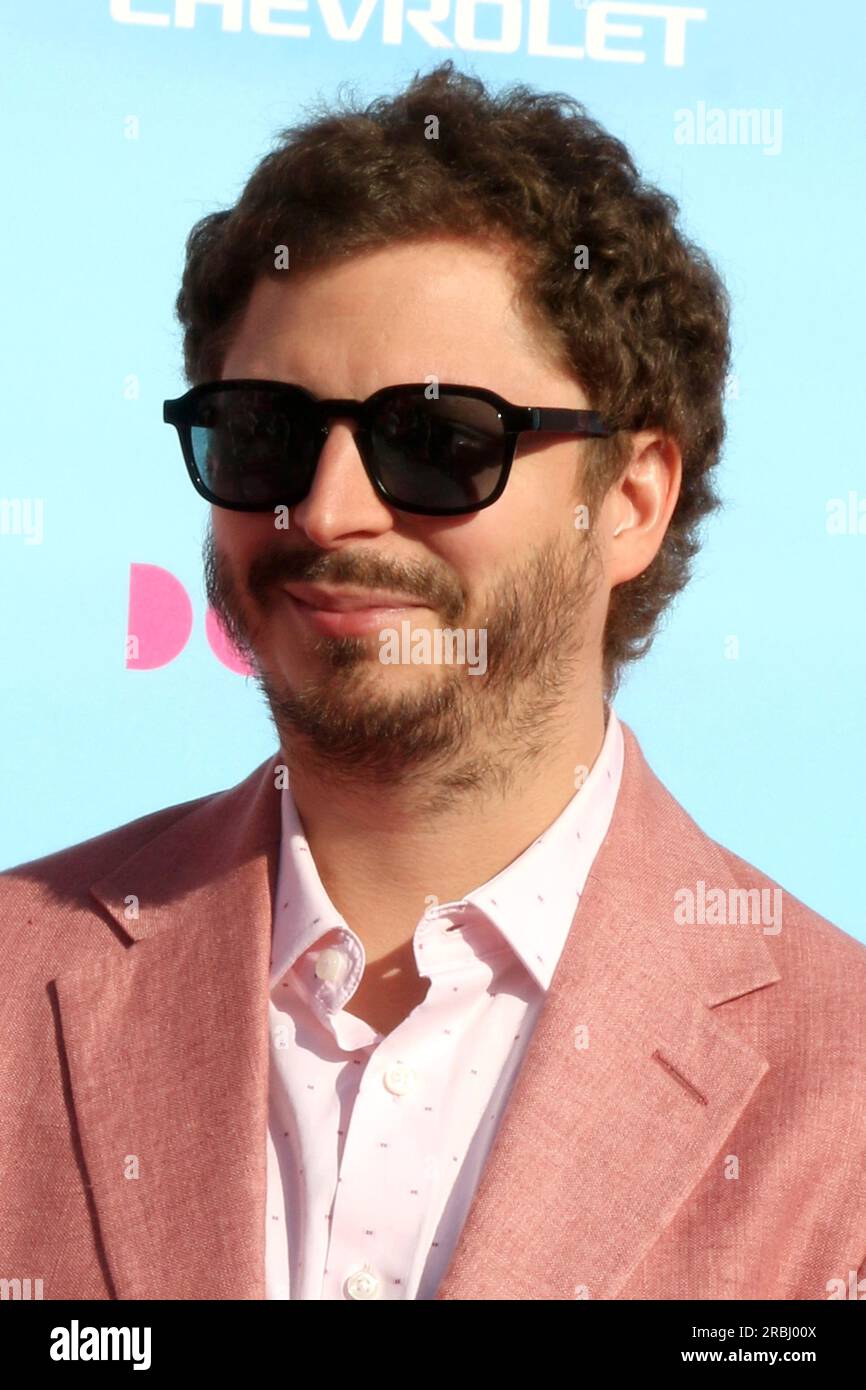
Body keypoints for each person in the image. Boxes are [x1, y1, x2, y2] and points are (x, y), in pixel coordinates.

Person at [1, 61, 864, 1302]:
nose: (331, 509)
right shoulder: (15, 990)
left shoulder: (837, 1098)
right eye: (264, 432)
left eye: (438, 440)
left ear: (627, 502)